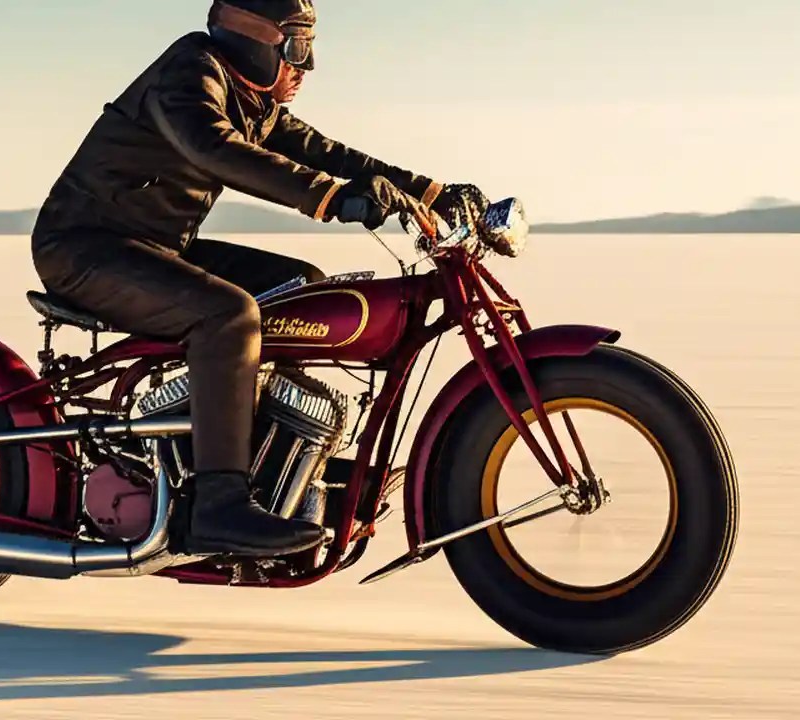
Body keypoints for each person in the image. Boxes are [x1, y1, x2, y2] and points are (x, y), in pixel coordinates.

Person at [31, 0, 476, 557]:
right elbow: (214, 148)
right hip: (85, 246)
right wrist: (334, 199)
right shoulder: (189, 75)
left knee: (302, 288)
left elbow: (329, 152)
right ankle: (220, 503)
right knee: (228, 315)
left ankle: (275, 461)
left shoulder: (253, 101)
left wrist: (431, 192)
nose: (305, 66)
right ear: (255, 40)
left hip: (154, 245)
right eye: (296, 48)